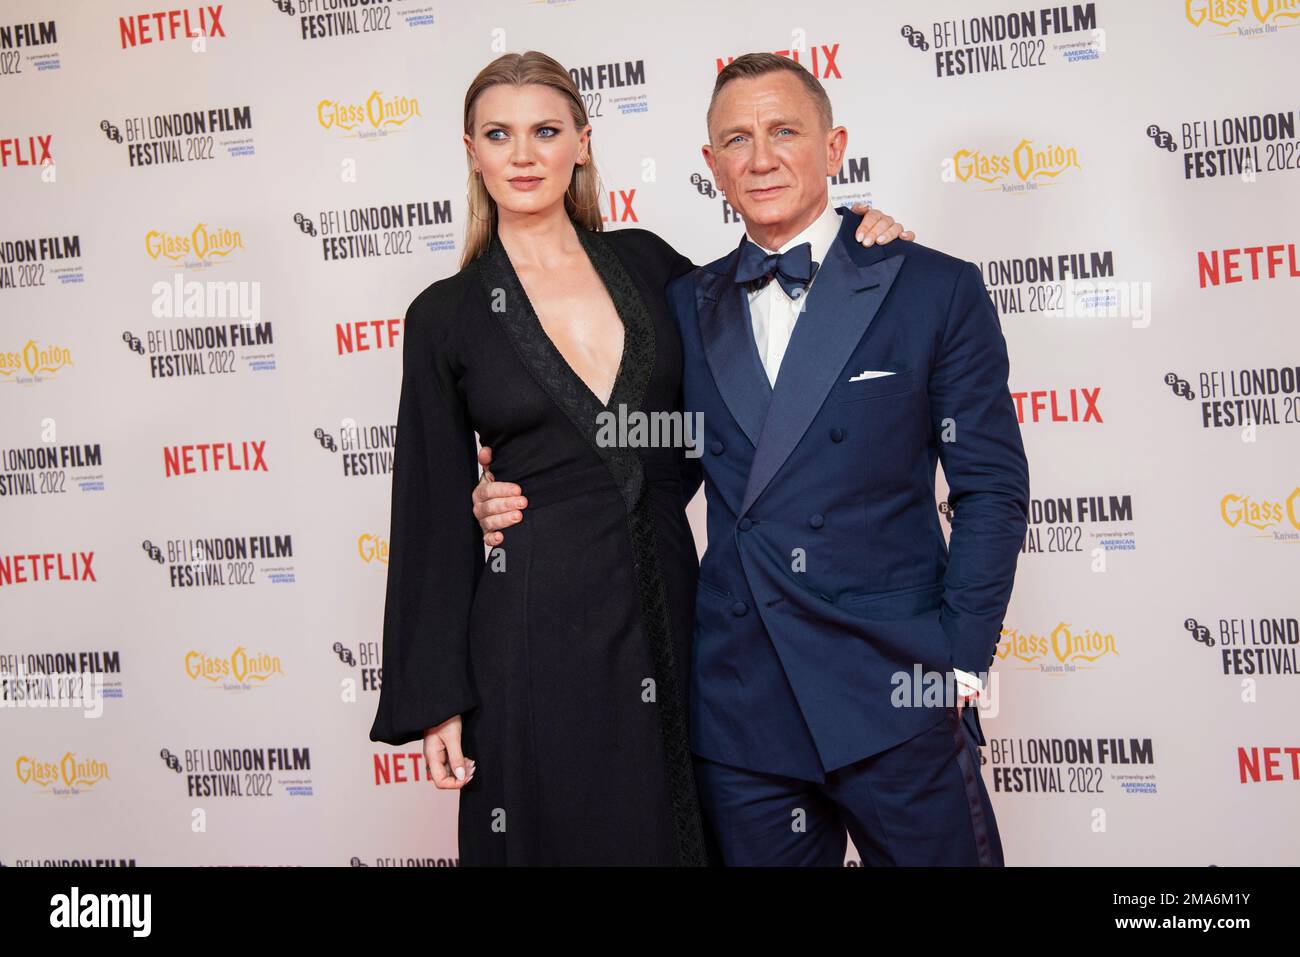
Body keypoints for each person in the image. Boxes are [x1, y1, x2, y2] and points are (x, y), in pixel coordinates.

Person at [474, 53, 1030, 866]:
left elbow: (990, 488)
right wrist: (501, 494)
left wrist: (957, 660)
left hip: (895, 696)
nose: (760, 158)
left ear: (834, 147)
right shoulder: (680, 303)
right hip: (742, 717)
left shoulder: (930, 288)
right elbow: (643, 470)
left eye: (784, 132)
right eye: (736, 139)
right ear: (711, 167)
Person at [368, 49, 912, 866]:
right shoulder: (443, 317)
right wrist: (440, 701)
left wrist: (852, 242)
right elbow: (426, 519)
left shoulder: (652, 266)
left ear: (582, 143)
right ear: (471, 150)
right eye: (499, 134)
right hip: (530, 630)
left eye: (546, 131)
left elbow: (764, 353)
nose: (523, 154)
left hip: (677, 610)